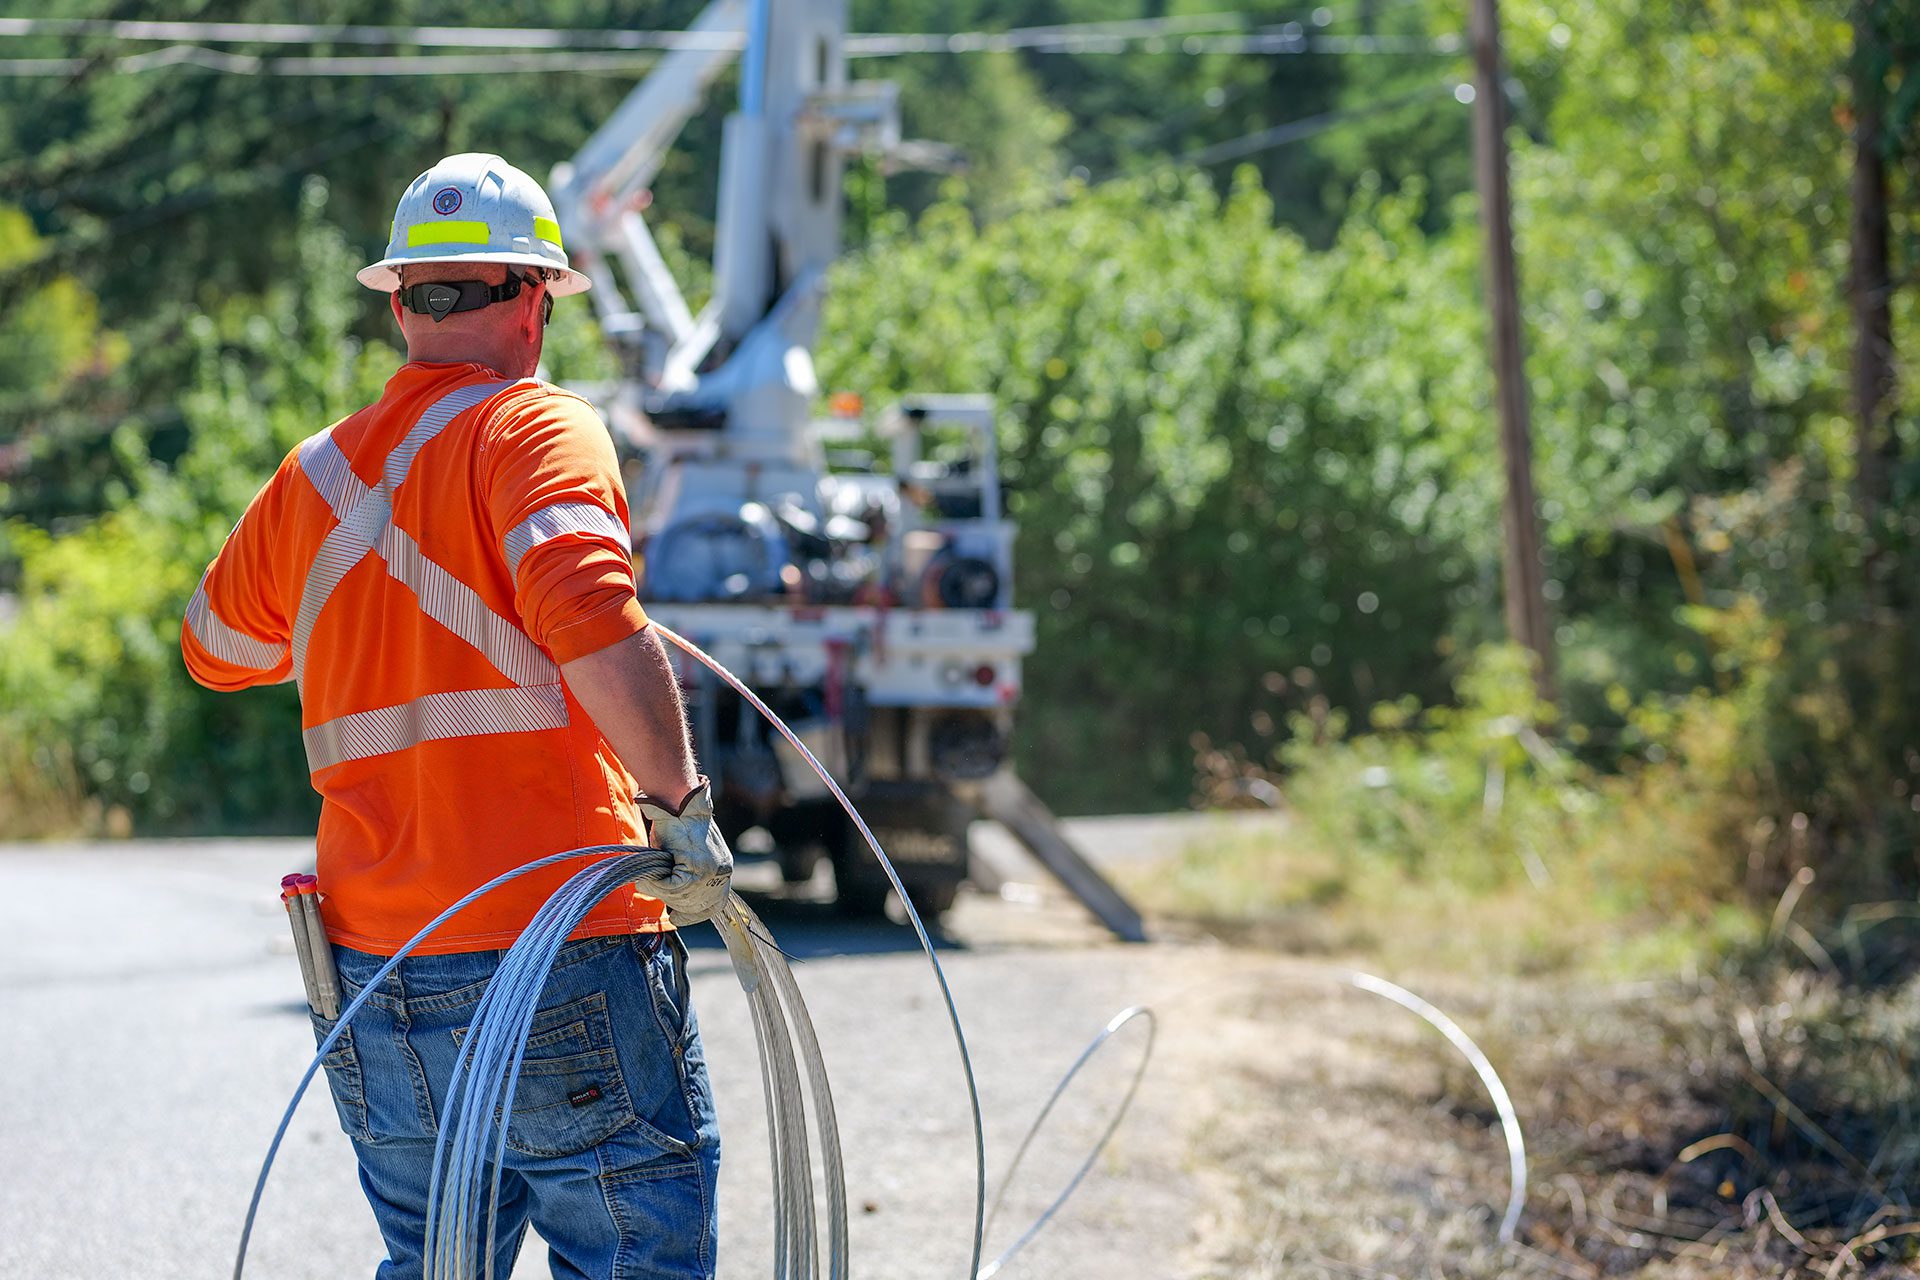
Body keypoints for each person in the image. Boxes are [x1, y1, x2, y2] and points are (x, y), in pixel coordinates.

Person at [181, 153, 732, 1279]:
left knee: (435, 1263)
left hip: (382, 967)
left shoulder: (314, 477)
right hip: (561, 943)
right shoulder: (538, 428)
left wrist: (350, 605)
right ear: (535, 297)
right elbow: (590, 617)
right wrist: (681, 810)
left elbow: (218, 649)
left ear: (400, 303)